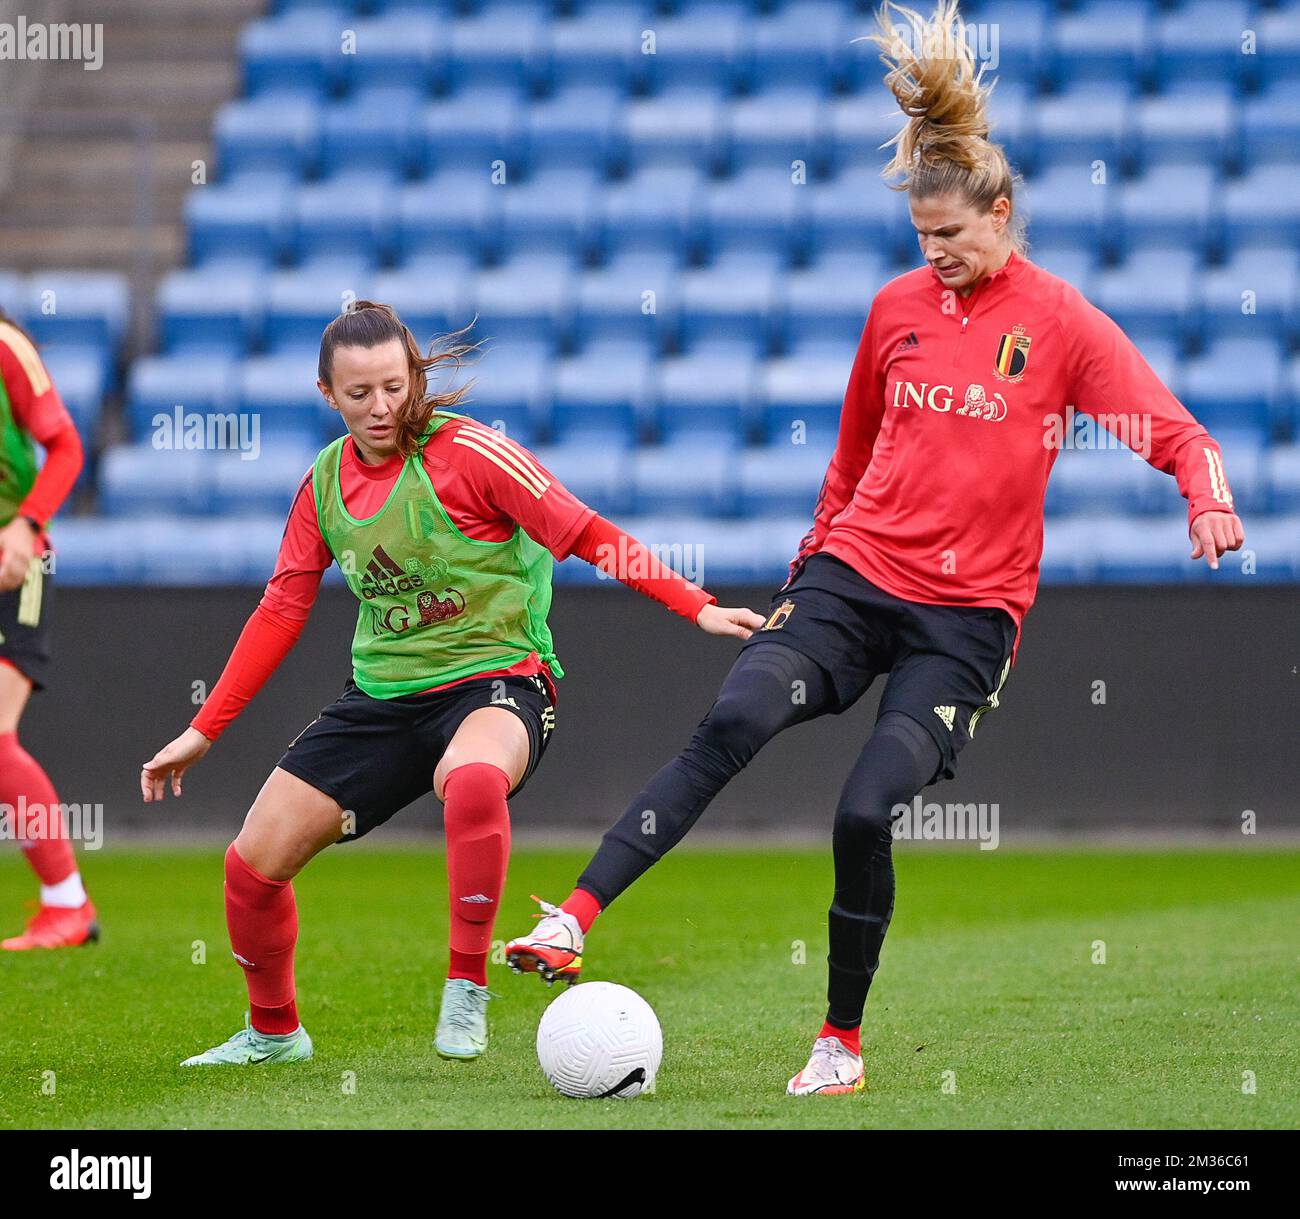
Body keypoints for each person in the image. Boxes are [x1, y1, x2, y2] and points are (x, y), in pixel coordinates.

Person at [504, 0, 1245, 1096]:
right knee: (736, 715)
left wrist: (1204, 498)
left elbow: (1175, 430)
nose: (935, 256)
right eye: (920, 240)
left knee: (863, 807)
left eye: (951, 236)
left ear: (1001, 215)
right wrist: (812, 564)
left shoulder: (1062, 324)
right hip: (853, 576)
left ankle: (838, 1043)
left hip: (968, 619)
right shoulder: (894, 308)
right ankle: (571, 917)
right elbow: (850, 457)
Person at [140, 301, 763, 1066]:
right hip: (382, 700)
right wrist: (204, 729)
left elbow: (589, 532)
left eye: (394, 387)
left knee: (470, 782)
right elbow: (280, 609)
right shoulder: (324, 486)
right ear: (326, 394)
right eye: (359, 392)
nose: (380, 407)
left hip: (501, 683)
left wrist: (694, 605)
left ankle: (466, 987)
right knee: (250, 865)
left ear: (415, 378)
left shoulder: (473, 454)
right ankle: (274, 1032)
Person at [0, 311, 92, 951]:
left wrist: (27, 526)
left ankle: (67, 905)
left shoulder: (6, 347)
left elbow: (67, 444)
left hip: (14, 567)